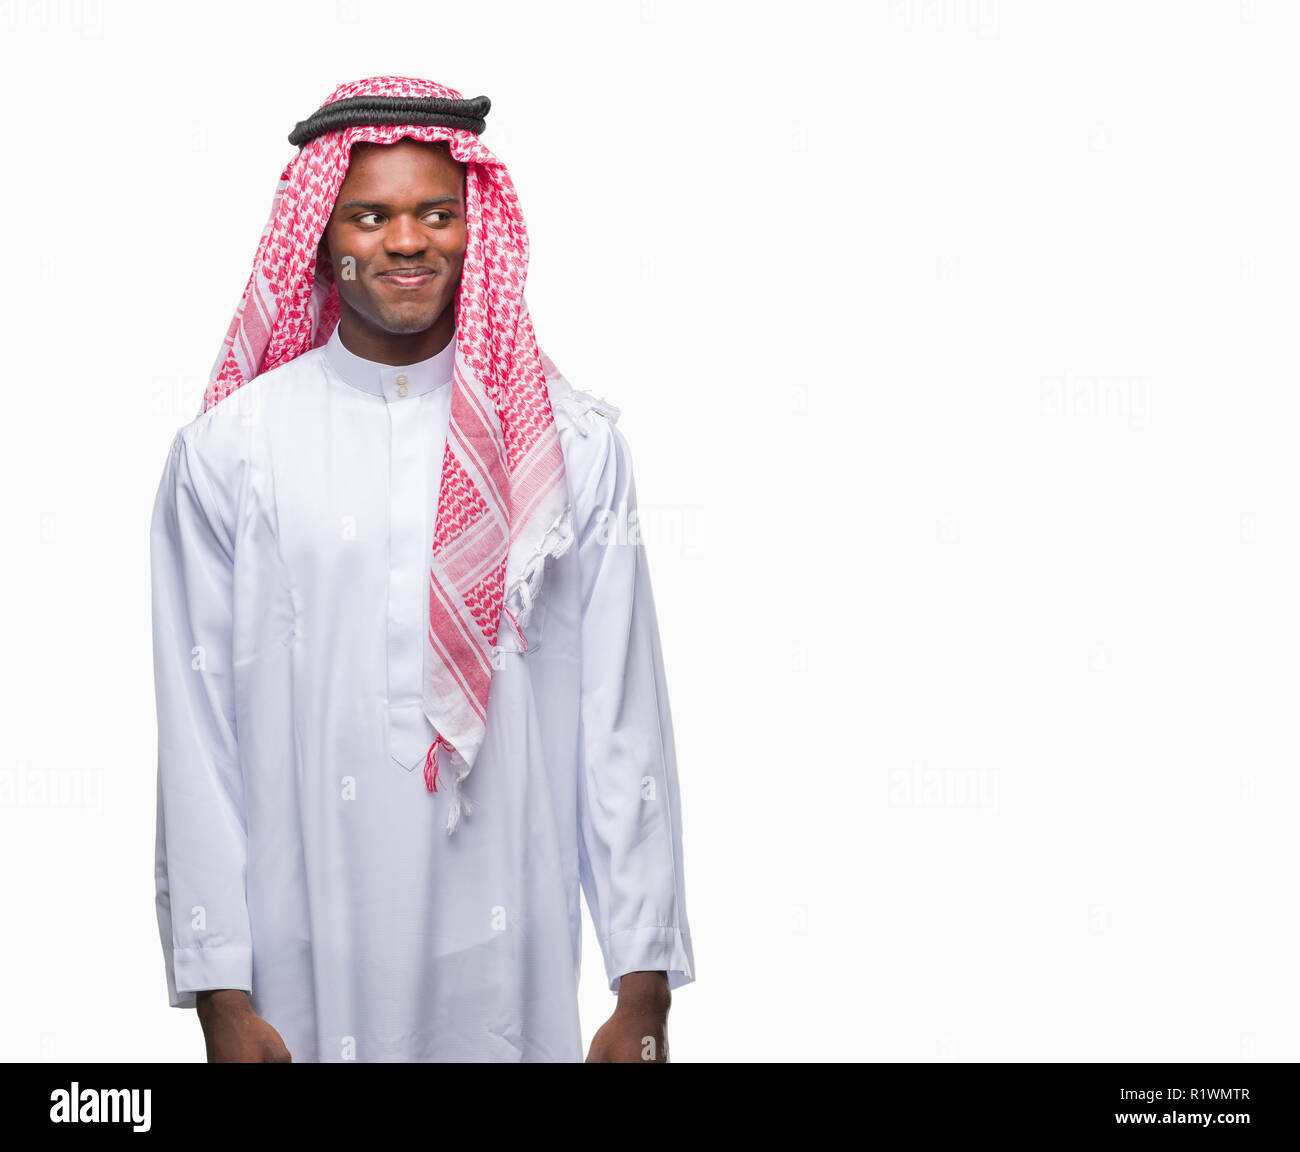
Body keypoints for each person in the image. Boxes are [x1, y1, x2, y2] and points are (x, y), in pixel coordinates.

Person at [149, 75, 695, 1063]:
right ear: (321, 235)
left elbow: (622, 724)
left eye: (437, 213)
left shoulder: (568, 451)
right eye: (369, 215)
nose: (406, 242)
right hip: (298, 964)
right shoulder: (231, 453)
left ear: (474, 226)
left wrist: (641, 986)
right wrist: (219, 995)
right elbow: (199, 741)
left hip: (512, 961)